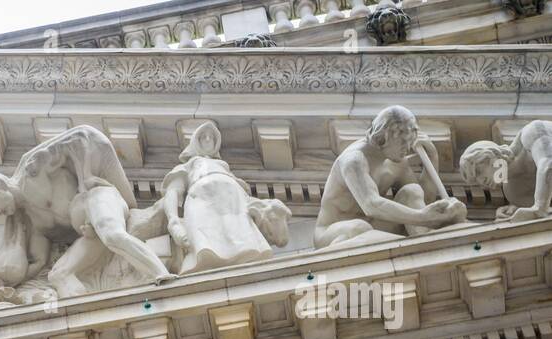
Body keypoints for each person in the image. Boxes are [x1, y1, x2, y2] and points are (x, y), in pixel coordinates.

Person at [0, 124, 170, 299]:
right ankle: (88, 321)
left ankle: (162, 276)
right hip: (89, 233)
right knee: (58, 274)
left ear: (0, 185)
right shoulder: (31, 223)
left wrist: (85, 178)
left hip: (96, 200)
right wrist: (2, 282)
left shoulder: (32, 171)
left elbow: (82, 136)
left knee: (113, 235)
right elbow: (39, 262)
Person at [315, 105, 467, 250]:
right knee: (359, 227)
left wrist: (432, 158)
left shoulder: (396, 161)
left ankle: (429, 247)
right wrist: (424, 217)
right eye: (402, 142)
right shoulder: (354, 160)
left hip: (374, 227)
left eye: (409, 141)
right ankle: (412, 248)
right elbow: (371, 205)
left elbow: (424, 201)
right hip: (332, 231)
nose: (407, 148)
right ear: (384, 136)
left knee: (411, 191)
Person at [161, 121, 291, 272]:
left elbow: (246, 198)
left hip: (233, 203)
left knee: (242, 240)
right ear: (196, 142)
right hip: (202, 201)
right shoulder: (189, 166)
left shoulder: (224, 168)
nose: (208, 140)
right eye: (204, 137)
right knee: (206, 243)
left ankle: (245, 253)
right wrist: (173, 219)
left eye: (212, 137)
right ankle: (206, 259)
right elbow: (173, 192)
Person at [459, 120, 552, 223]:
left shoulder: (531, 132)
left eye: (478, 171)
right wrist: (512, 213)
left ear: (491, 154)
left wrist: (540, 207)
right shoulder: (513, 193)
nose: (481, 181)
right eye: (476, 181)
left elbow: (548, 165)